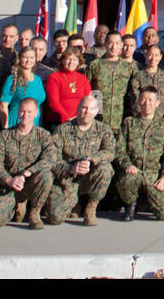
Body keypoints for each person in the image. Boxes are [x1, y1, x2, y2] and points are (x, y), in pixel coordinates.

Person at [0, 97, 56, 229]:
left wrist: (27, 173)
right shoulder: (4, 136)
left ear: (36, 113)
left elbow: (50, 159)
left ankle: (34, 213)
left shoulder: (44, 136)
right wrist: (9, 180)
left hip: (29, 182)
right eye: (22, 111)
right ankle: (15, 207)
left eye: (29, 112)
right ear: (18, 112)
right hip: (8, 185)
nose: (25, 115)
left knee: (46, 176)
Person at [48, 94, 115, 226]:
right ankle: (74, 203)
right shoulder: (63, 130)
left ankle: (91, 208)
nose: (87, 112)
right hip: (67, 179)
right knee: (54, 218)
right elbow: (51, 159)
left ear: (96, 112)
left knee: (105, 169)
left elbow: (110, 152)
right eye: (84, 108)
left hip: (89, 176)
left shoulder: (104, 130)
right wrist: (70, 168)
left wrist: (92, 160)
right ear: (78, 109)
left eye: (91, 109)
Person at [114, 86, 164, 221]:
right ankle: (130, 205)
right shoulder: (129, 123)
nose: (146, 103)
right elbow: (119, 149)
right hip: (134, 171)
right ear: (138, 101)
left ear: (157, 103)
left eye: (150, 100)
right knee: (127, 180)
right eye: (143, 100)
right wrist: (127, 165)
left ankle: (146, 201)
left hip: (153, 175)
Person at [86, 31, 135, 133]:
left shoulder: (127, 67)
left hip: (119, 119)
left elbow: (130, 94)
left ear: (121, 45)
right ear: (105, 44)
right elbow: (87, 91)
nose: (113, 47)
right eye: (110, 43)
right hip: (97, 119)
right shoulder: (95, 65)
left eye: (117, 43)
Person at [0, 45, 46, 128]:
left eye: (31, 57)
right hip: (17, 122)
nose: (28, 60)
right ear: (19, 59)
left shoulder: (38, 79)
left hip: (35, 124)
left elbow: (39, 104)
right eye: (25, 57)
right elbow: (3, 105)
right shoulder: (12, 79)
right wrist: (5, 127)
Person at [126, 43, 164, 123]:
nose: (153, 58)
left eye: (156, 55)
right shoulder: (138, 77)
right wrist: (143, 117)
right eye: (150, 55)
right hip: (142, 120)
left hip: (162, 121)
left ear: (161, 57)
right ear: (146, 55)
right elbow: (135, 99)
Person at [46, 48, 92, 127]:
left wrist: (78, 118)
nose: (71, 62)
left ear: (78, 62)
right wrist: (67, 118)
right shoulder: (54, 77)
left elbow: (88, 100)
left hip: (80, 120)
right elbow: (54, 102)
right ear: (63, 61)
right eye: (68, 59)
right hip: (59, 121)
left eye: (74, 59)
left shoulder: (83, 78)